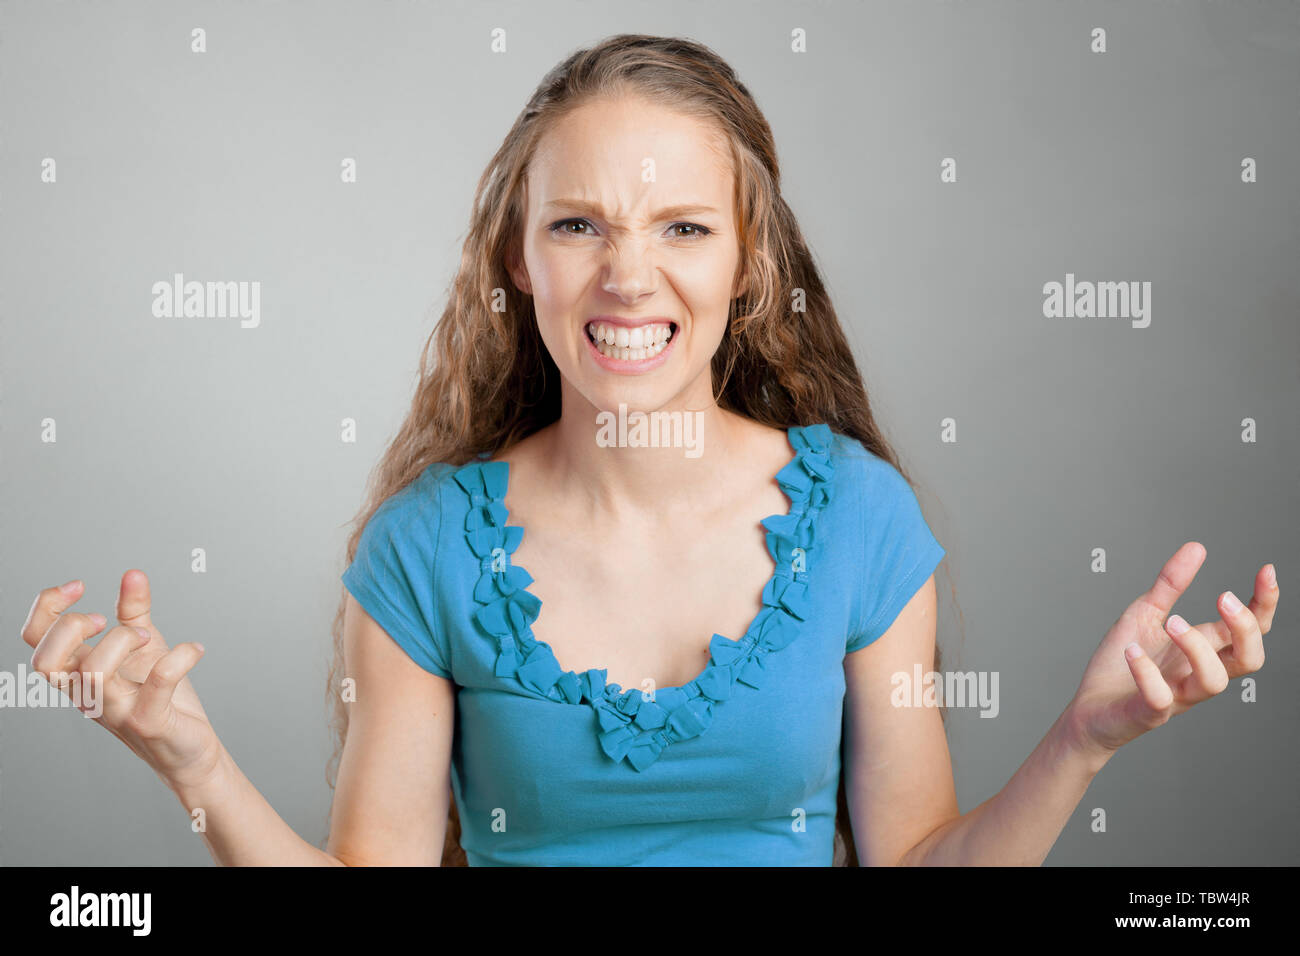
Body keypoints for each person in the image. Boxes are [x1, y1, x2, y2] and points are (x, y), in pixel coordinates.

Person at [21, 35, 1279, 866]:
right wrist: (193, 763)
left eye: (682, 224)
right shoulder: (421, 553)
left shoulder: (859, 519)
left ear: (746, 266)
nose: (628, 274)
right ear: (520, 260)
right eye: (577, 223)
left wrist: (1079, 741)